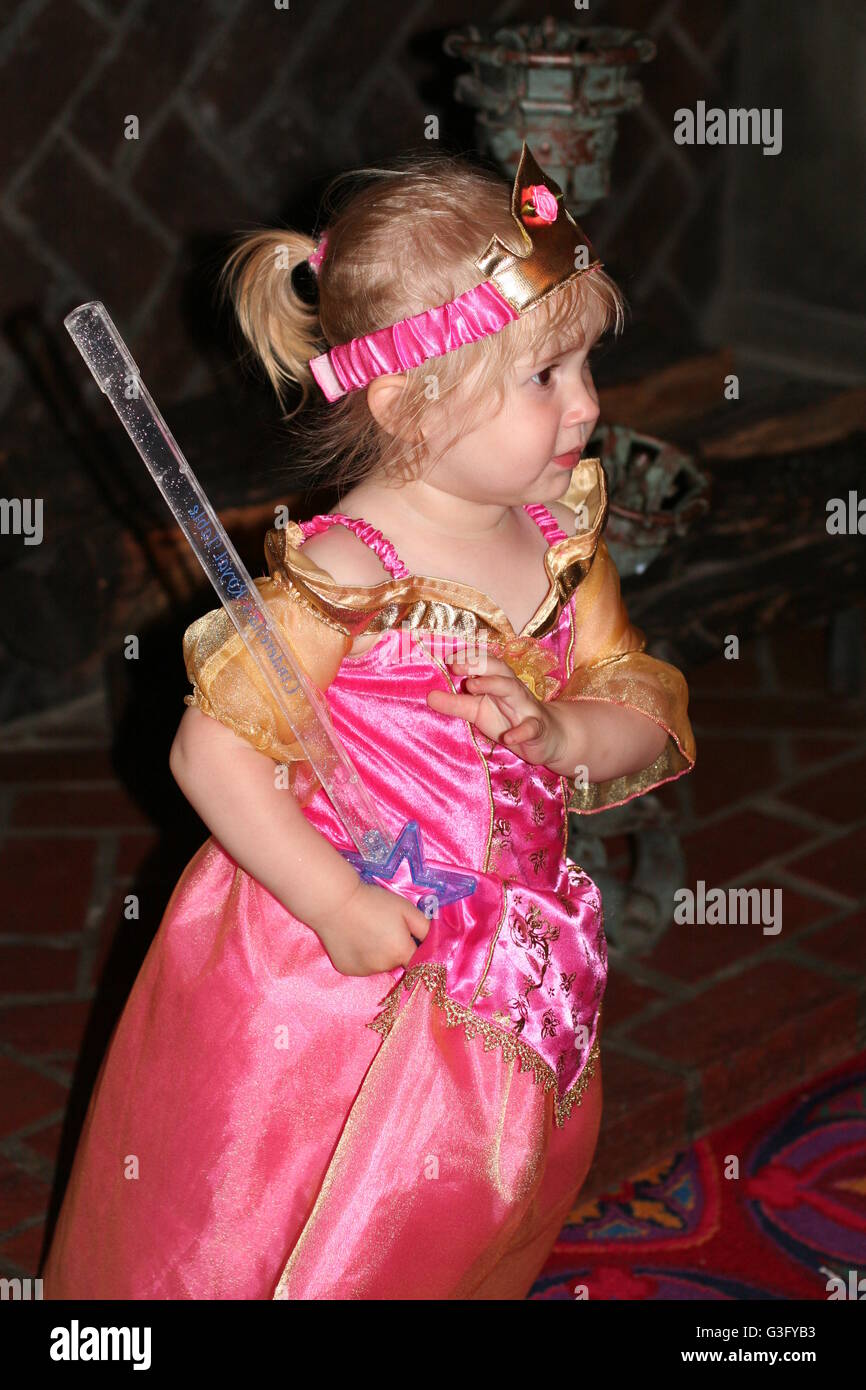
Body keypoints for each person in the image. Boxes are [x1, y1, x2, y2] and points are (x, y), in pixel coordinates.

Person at [43, 145, 696, 1300]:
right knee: (318, 1215)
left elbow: (629, 687)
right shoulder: (345, 571)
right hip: (337, 974)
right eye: (545, 376)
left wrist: (564, 734)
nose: (589, 402)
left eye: (587, 361)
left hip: (513, 970)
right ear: (408, 403)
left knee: (484, 1204)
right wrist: (334, 900)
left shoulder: (553, 538)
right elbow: (210, 748)